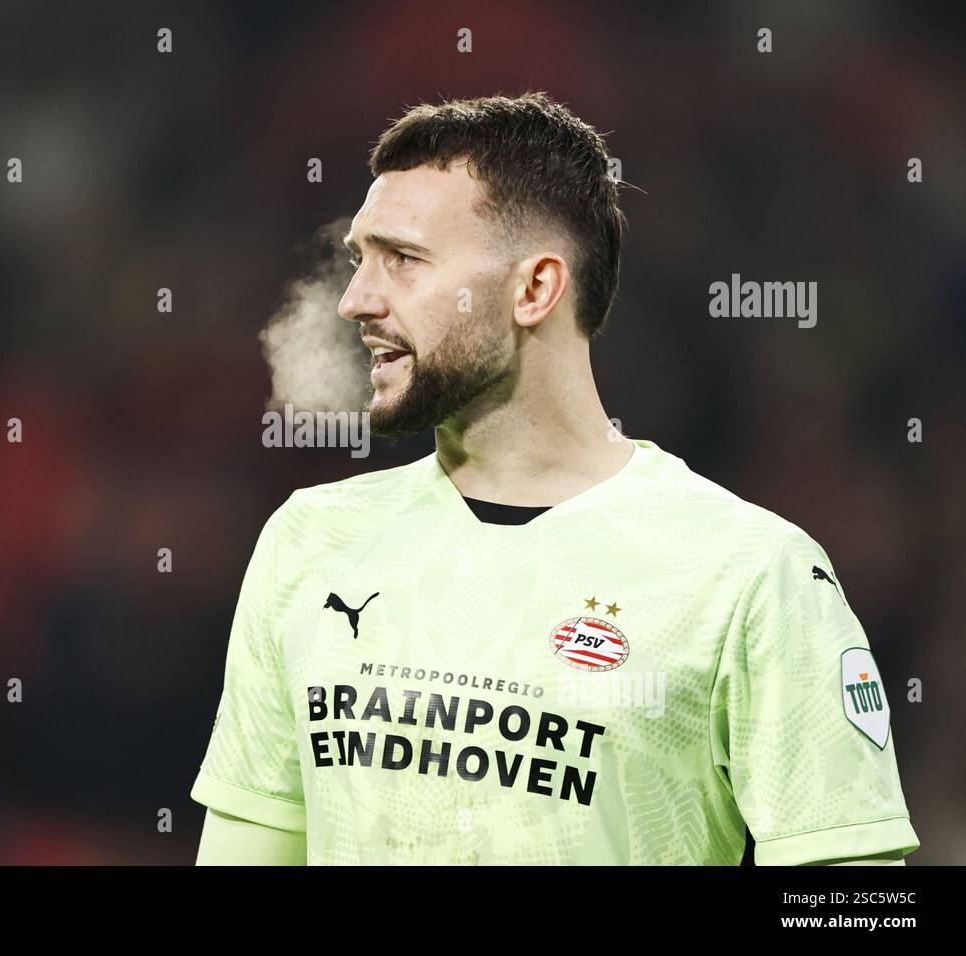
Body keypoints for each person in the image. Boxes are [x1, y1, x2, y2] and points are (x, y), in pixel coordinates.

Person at [191, 92, 918, 866]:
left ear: (534, 289)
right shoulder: (308, 542)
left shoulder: (751, 574)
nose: (356, 300)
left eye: (402, 259)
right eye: (357, 260)